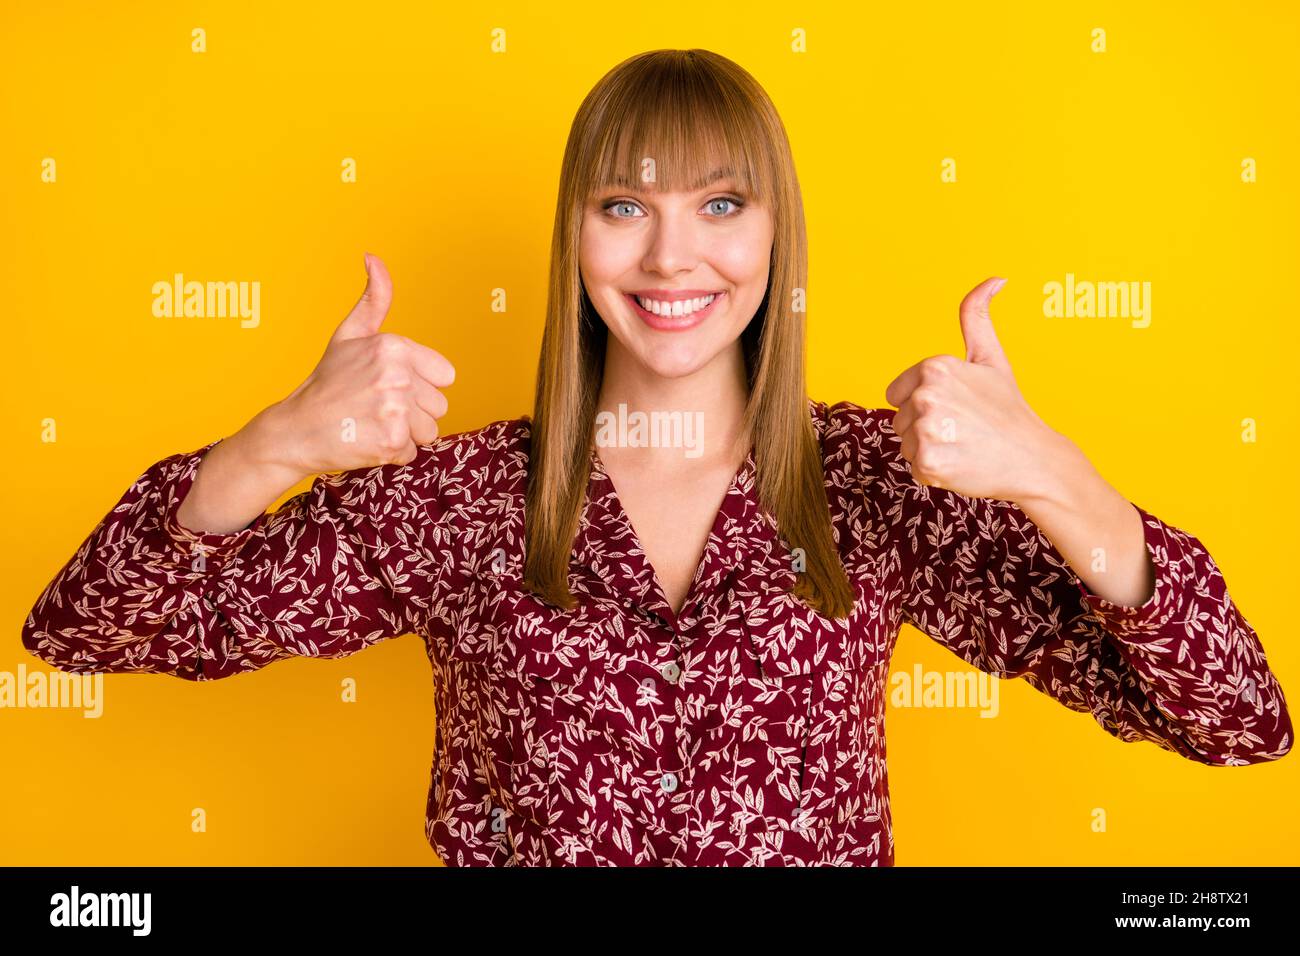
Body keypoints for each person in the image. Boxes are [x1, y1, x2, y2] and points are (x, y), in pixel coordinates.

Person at [21, 49, 1291, 867]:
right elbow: (86, 626)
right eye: (626, 207)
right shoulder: (463, 499)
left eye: (720, 205)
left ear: (775, 231)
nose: (673, 259)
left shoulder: (872, 486)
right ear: (576, 234)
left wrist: (1055, 474)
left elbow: (1233, 720)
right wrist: (279, 440)